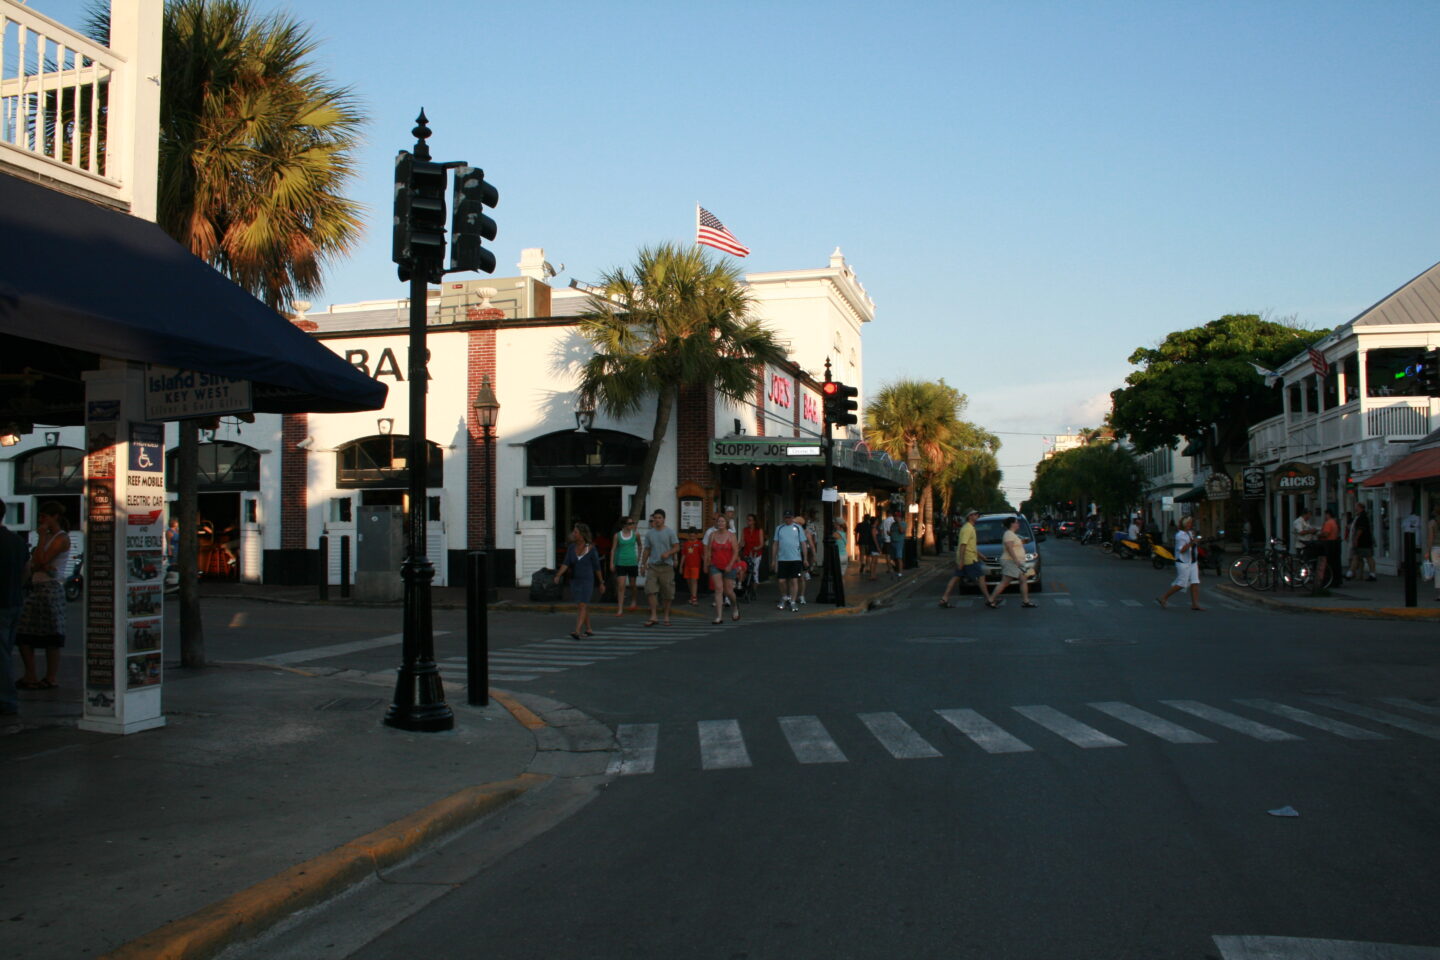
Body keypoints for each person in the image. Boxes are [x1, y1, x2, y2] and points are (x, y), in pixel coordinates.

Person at [17, 501, 71, 690]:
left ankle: (50, 676)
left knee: (51, 636)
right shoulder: (49, 537)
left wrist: (40, 539)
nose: (41, 521)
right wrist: (40, 563)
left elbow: (41, 559)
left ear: (54, 517)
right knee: (24, 634)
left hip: (50, 589)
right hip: (37, 586)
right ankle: (30, 674)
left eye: (44, 517)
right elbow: (36, 563)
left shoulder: (60, 538)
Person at [0, 498, 27, 718]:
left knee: (3, 656)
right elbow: (26, 571)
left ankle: (7, 700)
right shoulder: (16, 541)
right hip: (14, 601)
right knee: (6, 652)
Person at [555, 522, 604, 640]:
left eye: (575, 532)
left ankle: (577, 630)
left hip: (587, 580)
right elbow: (566, 563)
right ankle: (589, 629)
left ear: (582, 534)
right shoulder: (572, 548)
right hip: (575, 580)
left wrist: (601, 582)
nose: (573, 534)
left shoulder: (591, 549)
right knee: (582, 605)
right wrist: (558, 575)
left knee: (582, 604)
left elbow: (597, 567)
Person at [939, 508, 993, 608]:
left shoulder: (969, 528)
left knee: (956, 578)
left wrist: (981, 556)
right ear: (970, 516)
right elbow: (963, 545)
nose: (977, 516)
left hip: (966, 558)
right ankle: (989, 599)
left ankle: (944, 599)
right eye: (975, 514)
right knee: (981, 577)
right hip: (969, 559)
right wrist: (962, 561)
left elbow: (970, 546)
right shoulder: (968, 529)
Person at [639, 509, 679, 627]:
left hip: (666, 566)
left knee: (667, 593)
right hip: (653, 566)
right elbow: (647, 549)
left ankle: (666, 615)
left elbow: (676, 547)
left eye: (659, 518)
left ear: (663, 519)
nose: (657, 520)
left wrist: (669, 553)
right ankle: (654, 615)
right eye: (655, 518)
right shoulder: (650, 533)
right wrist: (642, 564)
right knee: (650, 590)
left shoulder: (670, 532)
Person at [1157, 515, 1204, 610]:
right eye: (1189, 523)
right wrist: (1192, 542)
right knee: (1181, 583)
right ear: (1184, 524)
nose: (1190, 525)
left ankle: (1195, 604)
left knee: (1195, 582)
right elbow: (1182, 550)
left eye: (1191, 523)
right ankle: (1164, 597)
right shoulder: (1180, 535)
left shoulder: (1189, 533)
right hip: (1183, 562)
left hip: (1192, 561)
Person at [987, 516, 1034, 608]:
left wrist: (1022, 542)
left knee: (1023, 580)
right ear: (1012, 524)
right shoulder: (1008, 534)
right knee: (1005, 582)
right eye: (1016, 522)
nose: (1018, 524)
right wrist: (1016, 560)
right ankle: (991, 600)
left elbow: (1014, 546)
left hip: (1018, 562)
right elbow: (1009, 548)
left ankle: (1026, 601)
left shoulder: (1012, 534)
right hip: (1011, 561)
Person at [704, 515, 742, 624]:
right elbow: (709, 550)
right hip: (715, 565)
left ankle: (735, 606)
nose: (720, 523)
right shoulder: (712, 535)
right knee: (718, 589)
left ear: (726, 523)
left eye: (722, 521)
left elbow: (735, 551)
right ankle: (719, 616)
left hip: (729, 565)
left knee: (729, 591)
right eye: (718, 521)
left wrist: (730, 564)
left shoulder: (731, 535)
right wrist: (707, 563)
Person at [771, 509, 809, 611]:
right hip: (782, 558)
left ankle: (792, 601)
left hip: (795, 558)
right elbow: (775, 543)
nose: (788, 519)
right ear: (784, 518)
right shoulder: (779, 528)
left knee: (794, 580)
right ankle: (784, 596)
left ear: (793, 518)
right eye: (786, 517)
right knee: (781, 580)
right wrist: (773, 559)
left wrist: (805, 558)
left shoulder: (798, 528)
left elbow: (803, 543)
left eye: (790, 517)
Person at [610, 516, 641, 616]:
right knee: (621, 586)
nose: (632, 525)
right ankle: (620, 609)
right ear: (624, 525)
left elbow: (640, 545)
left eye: (633, 523)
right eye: (630, 523)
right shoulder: (617, 535)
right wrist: (612, 562)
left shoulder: (636, 534)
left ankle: (634, 600)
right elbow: (613, 549)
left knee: (633, 585)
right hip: (621, 562)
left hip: (632, 562)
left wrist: (638, 557)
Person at [1347, 502, 1377, 582]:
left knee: (1367, 557)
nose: (1355, 508)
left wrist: (1356, 539)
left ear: (1360, 507)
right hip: (1363, 541)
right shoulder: (1359, 516)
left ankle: (1372, 574)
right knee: (1357, 557)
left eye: (1356, 506)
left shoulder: (1362, 517)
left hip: (1363, 541)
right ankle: (1350, 573)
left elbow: (1360, 529)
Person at [1318, 508, 1342, 588]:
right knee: (1335, 563)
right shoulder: (1335, 522)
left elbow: (1326, 534)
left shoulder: (1328, 523)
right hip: (1335, 543)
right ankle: (1336, 580)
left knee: (1328, 563)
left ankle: (1328, 580)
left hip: (1328, 543)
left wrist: (1319, 535)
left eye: (1325, 515)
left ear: (1328, 514)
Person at [740, 513, 765, 583]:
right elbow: (742, 541)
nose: (748, 522)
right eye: (747, 520)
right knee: (745, 569)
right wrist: (740, 545)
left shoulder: (759, 530)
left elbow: (762, 543)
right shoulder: (744, 530)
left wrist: (757, 548)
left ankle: (754, 589)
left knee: (755, 571)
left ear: (754, 521)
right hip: (747, 553)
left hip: (756, 554)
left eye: (750, 520)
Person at [680, 536, 704, 606]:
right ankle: (692, 595)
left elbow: (702, 554)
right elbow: (683, 555)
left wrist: (706, 564)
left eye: (694, 535)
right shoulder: (686, 544)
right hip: (687, 566)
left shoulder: (699, 543)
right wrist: (681, 566)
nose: (692, 536)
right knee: (689, 581)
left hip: (695, 566)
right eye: (691, 534)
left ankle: (694, 597)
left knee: (694, 581)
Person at [854, 514, 874, 580]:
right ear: (868, 519)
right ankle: (867, 567)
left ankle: (862, 563)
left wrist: (856, 540)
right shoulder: (870, 526)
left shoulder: (859, 525)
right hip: (868, 542)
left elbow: (856, 533)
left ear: (863, 518)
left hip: (861, 541)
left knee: (862, 554)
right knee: (868, 555)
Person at [1427, 506, 1440, 602]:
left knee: (1438, 571)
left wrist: (1428, 550)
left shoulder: (1432, 523)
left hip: (1436, 548)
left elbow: (1431, 538)